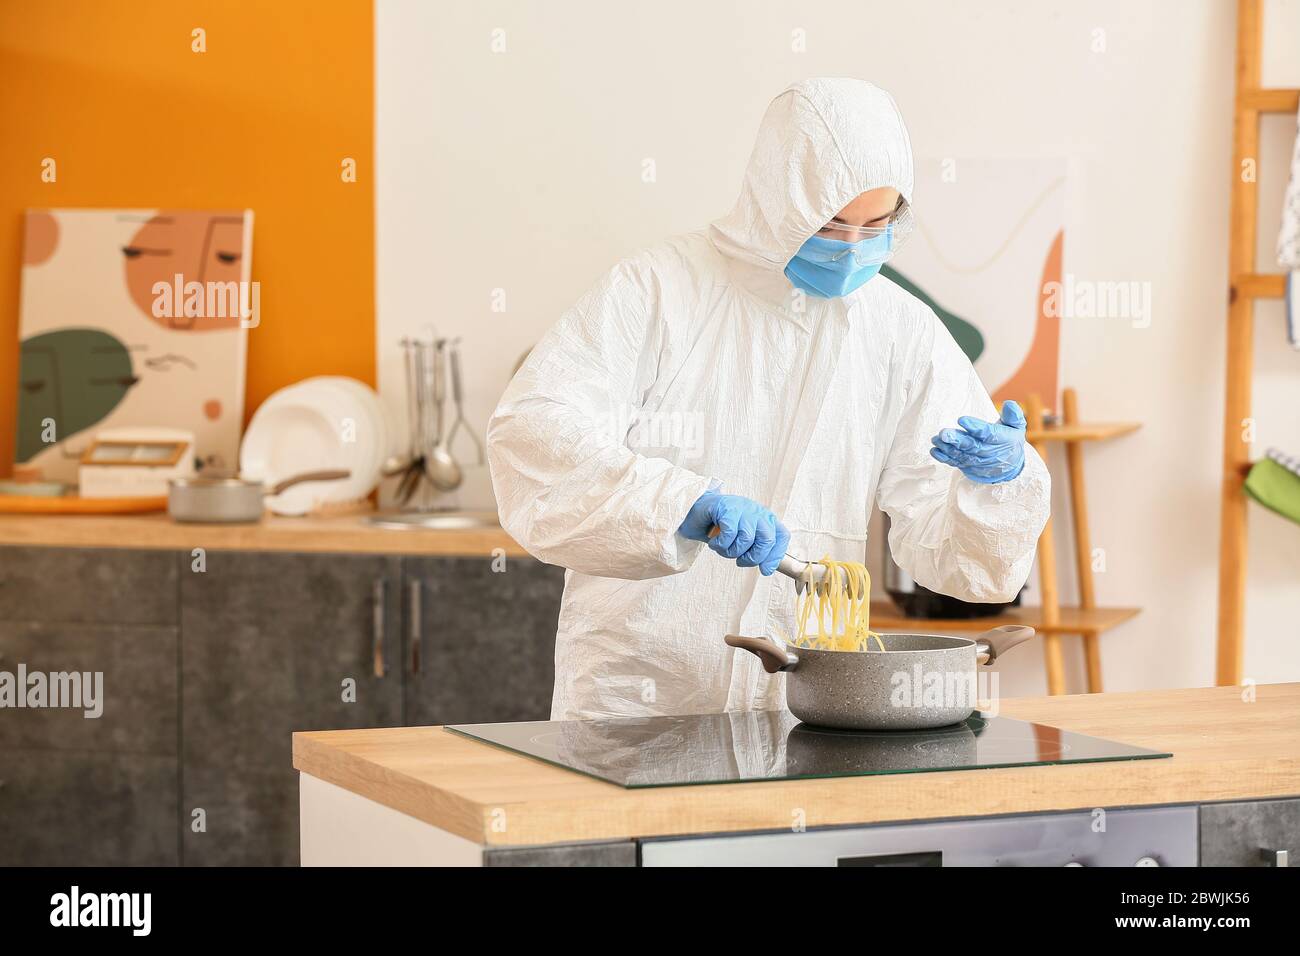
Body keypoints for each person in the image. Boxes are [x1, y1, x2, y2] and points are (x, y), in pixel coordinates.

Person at [488, 78, 1050, 721]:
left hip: (808, 695)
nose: (851, 249)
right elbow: (532, 436)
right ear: (777, 200)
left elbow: (960, 570)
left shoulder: (902, 329)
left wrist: (997, 485)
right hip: (643, 692)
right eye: (833, 223)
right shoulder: (658, 290)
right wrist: (679, 504)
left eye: (876, 225)